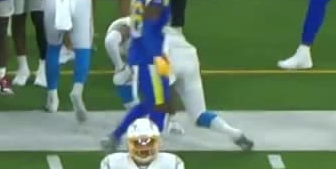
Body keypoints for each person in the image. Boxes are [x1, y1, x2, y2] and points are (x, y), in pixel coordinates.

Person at [105, 16, 253, 150]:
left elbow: (111, 40)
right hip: (189, 57)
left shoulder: (125, 28)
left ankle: (130, 138)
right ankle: (235, 134)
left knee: (140, 95)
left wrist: (119, 66)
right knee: (199, 114)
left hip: (166, 58)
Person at [101, 0, 188, 151]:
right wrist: (158, 57)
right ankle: (149, 146)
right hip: (150, 56)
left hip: (142, 53)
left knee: (152, 103)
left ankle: (115, 136)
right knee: (159, 104)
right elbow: (149, 29)